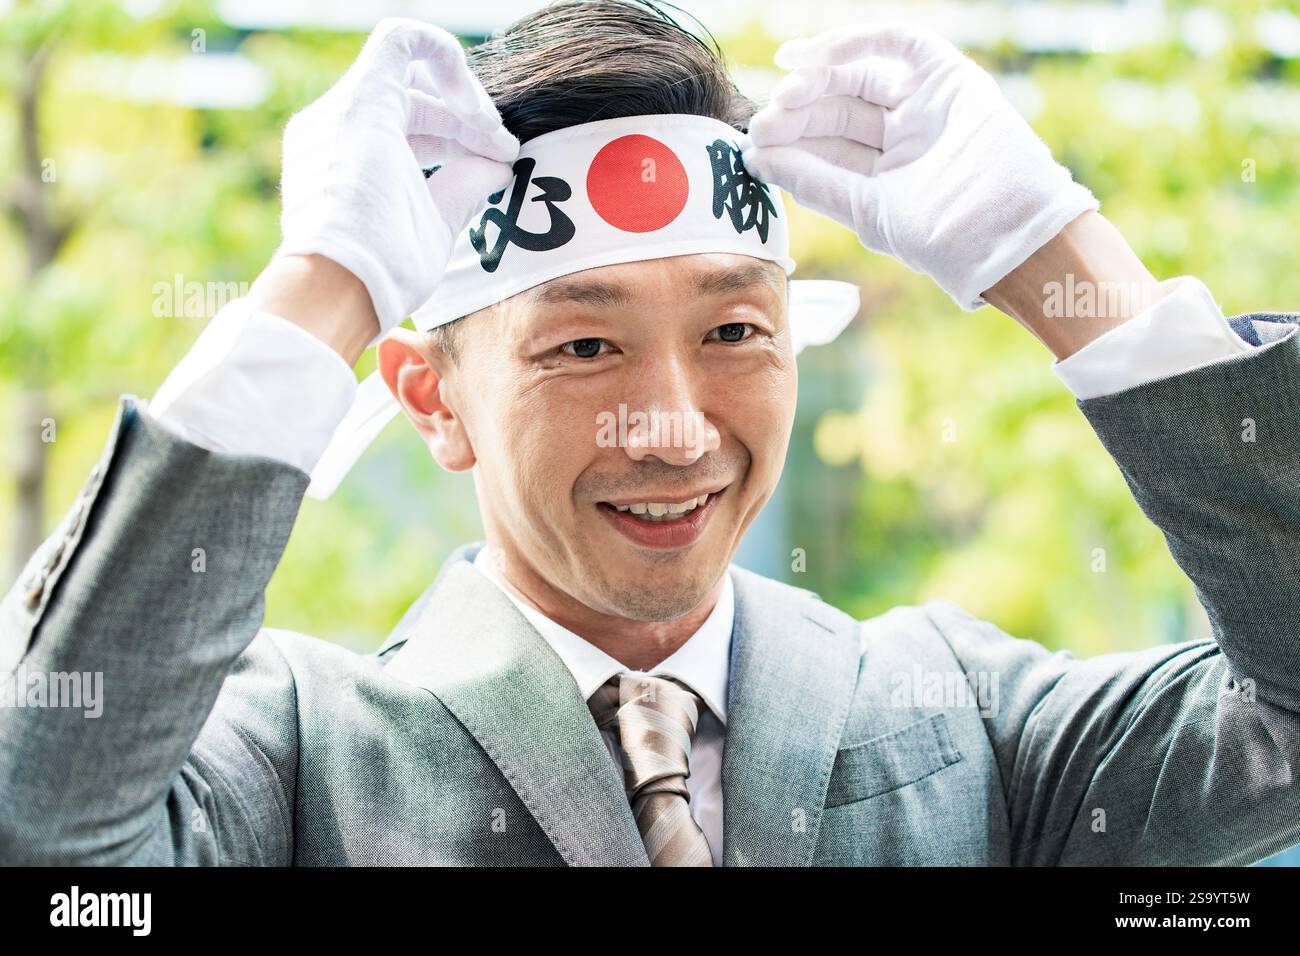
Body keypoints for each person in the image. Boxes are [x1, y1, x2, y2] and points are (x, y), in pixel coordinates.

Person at [2, 0, 1298, 867]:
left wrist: (1067, 268)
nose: (673, 428)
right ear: (431, 397)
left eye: (736, 332)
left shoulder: (970, 718)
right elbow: (46, 825)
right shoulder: (296, 755)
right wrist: (321, 284)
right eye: (582, 344)